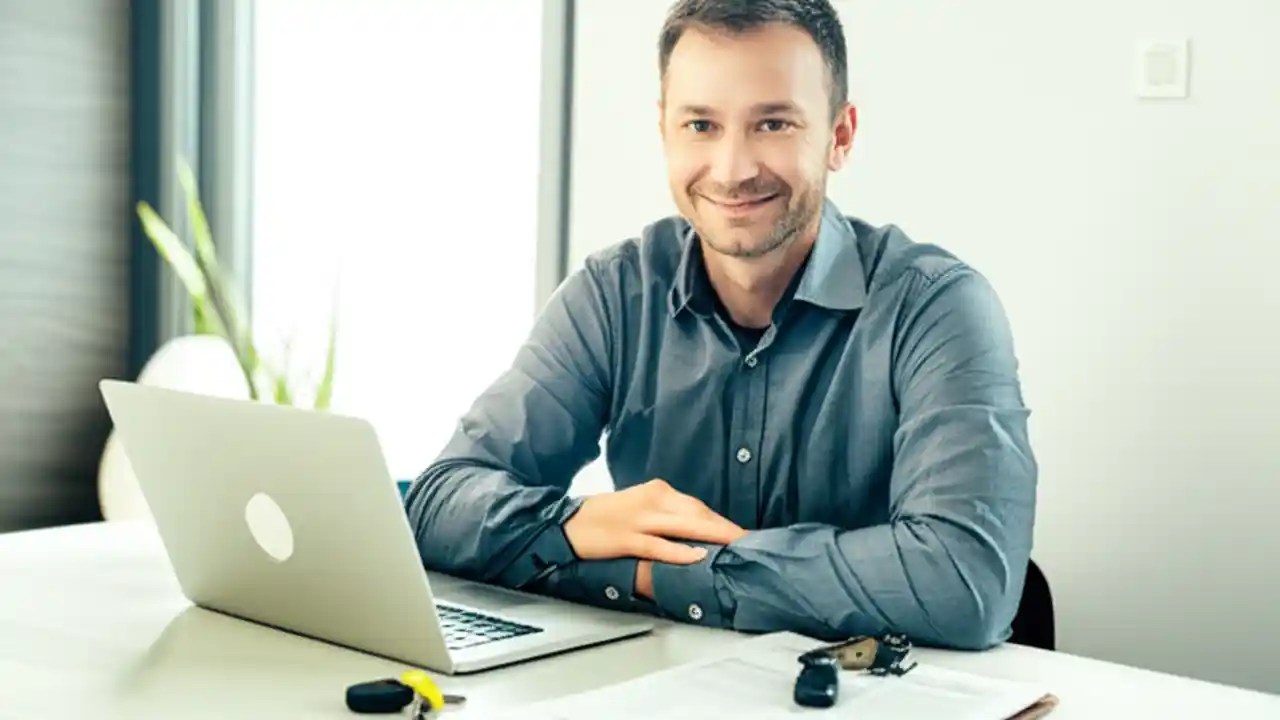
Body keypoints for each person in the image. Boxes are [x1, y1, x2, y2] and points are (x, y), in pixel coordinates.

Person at [405, 0, 1036, 650]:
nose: (733, 169)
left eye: (773, 124)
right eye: (701, 124)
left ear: (839, 137)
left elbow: (964, 584)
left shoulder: (936, 308)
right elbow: (437, 504)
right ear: (664, 131)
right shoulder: (615, 293)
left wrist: (658, 573)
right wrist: (573, 525)